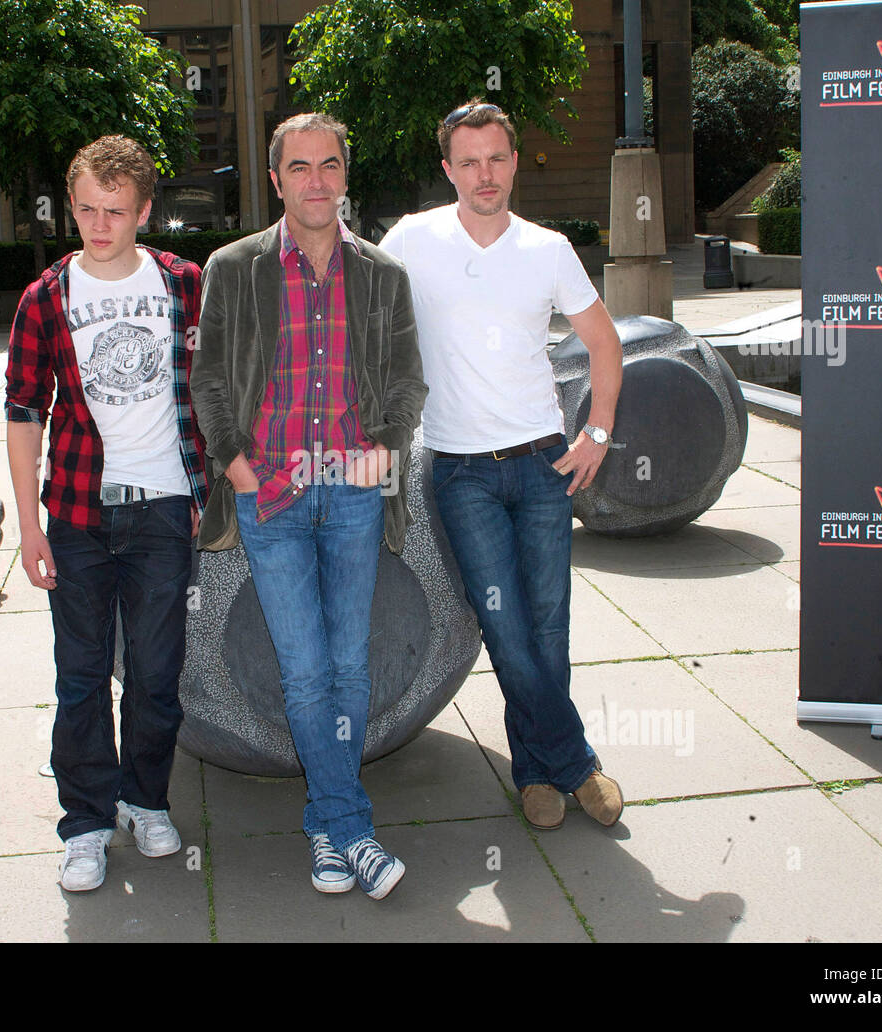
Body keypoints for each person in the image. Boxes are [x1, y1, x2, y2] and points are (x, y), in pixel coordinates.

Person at [191, 113, 427, 899]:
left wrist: (385, 447)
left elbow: (406, 380)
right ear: (276, 180)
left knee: (351, 665)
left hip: (356, 495)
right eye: (300, 168)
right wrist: (235, 464)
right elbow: (209, 380)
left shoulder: (382, 275)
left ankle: (330, 830)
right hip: (273, 499)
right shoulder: (234, 267)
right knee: (304, 670)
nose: (317, 181)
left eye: (329, 165)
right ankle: (350, 828)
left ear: (344, 175)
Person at [378, 100, 625, 832]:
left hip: (547, 464)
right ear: (447, 168)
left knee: (548, 627)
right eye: (468, 161)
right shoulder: (411, 240)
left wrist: (599, 434)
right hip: (461, 472)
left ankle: (535, 775)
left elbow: (606, 347)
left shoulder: (547, 250)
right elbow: (355, 304)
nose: (484, 174)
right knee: (505, 627)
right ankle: (577, 762)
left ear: (515, 162)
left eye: (497, 158)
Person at [5, 135, 207, 891]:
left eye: (115, 211)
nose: (98, 224)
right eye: (85, 208)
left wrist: (206, 489)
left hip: (163, 512)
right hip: (81, 514)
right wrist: (29, 526)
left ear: (144, 210)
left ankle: (144, 799)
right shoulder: (44, 298)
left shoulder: (186, 285)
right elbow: (24, 413)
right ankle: (85, 821)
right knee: (82, 676)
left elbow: (212, 392)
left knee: (157, 676)